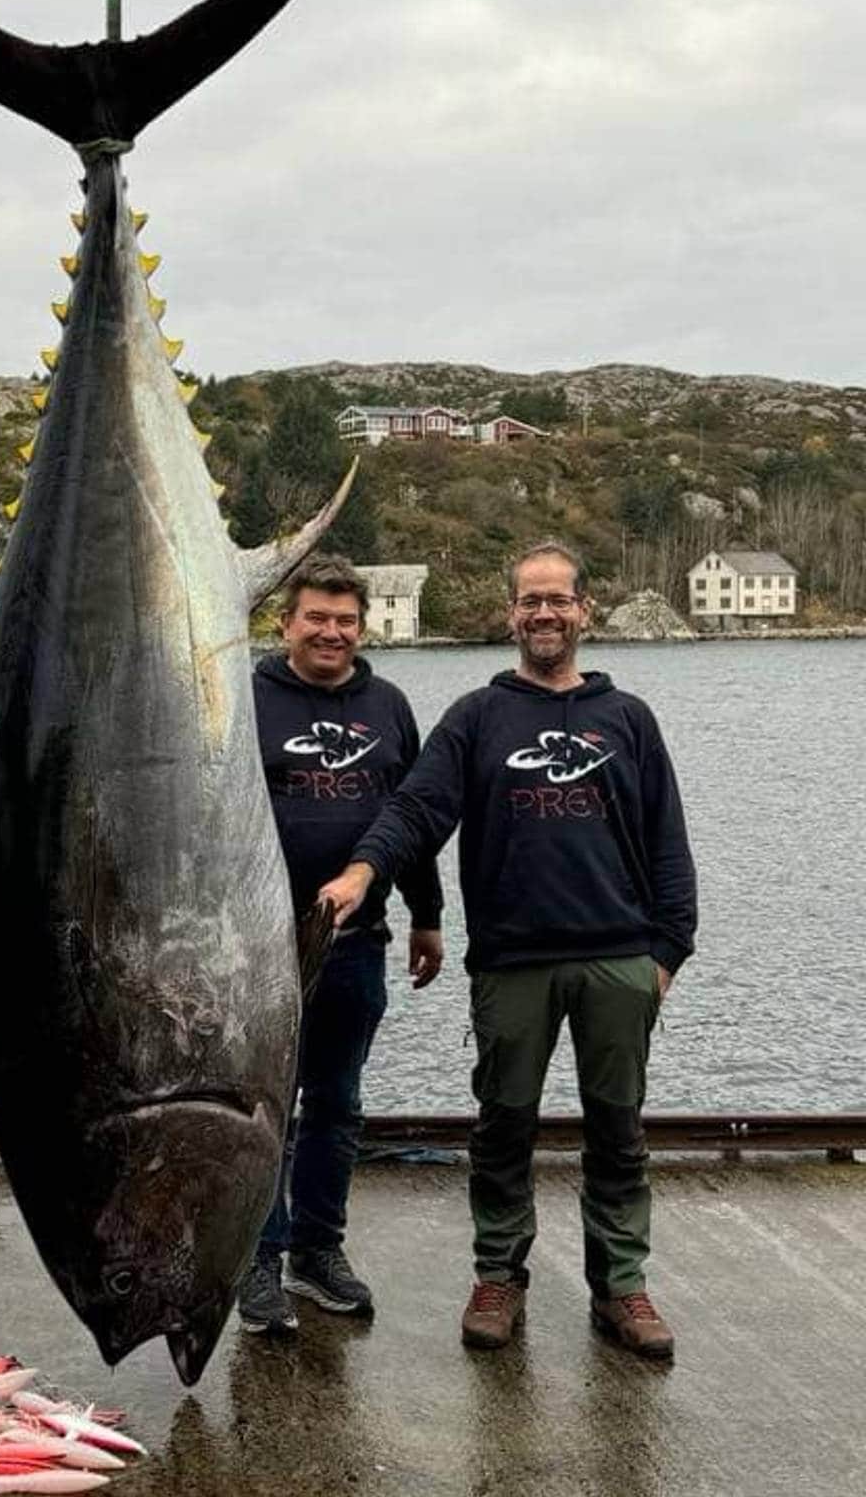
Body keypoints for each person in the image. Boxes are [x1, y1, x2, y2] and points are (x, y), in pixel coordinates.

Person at [320, 540, 696, 1359]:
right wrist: (362, 871)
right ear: (511, 611)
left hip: (618, 959)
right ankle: (499, 1276)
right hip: (513, 963)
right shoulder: (476, 719)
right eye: (530, 599)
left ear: (583, 609)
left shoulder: (627, 719)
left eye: (558, 598)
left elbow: (668, 842)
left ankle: (621, 1286)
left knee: (618, 1132)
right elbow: (414, 812)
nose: (544, 613)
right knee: (502, 1130)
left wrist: (666, 952)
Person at [237, 556, 444, 1337]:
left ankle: (317, 1252)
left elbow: (414, 818)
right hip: (254, 945)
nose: (331, 632)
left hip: (358, 942)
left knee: (337, 1103)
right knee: (262, 1107)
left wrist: (427, 913)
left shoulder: (387, 705)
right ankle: (258, 1254)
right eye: (316, 618)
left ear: (363, 627)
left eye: (346, 620)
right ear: (285, 622)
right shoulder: (242, 698)